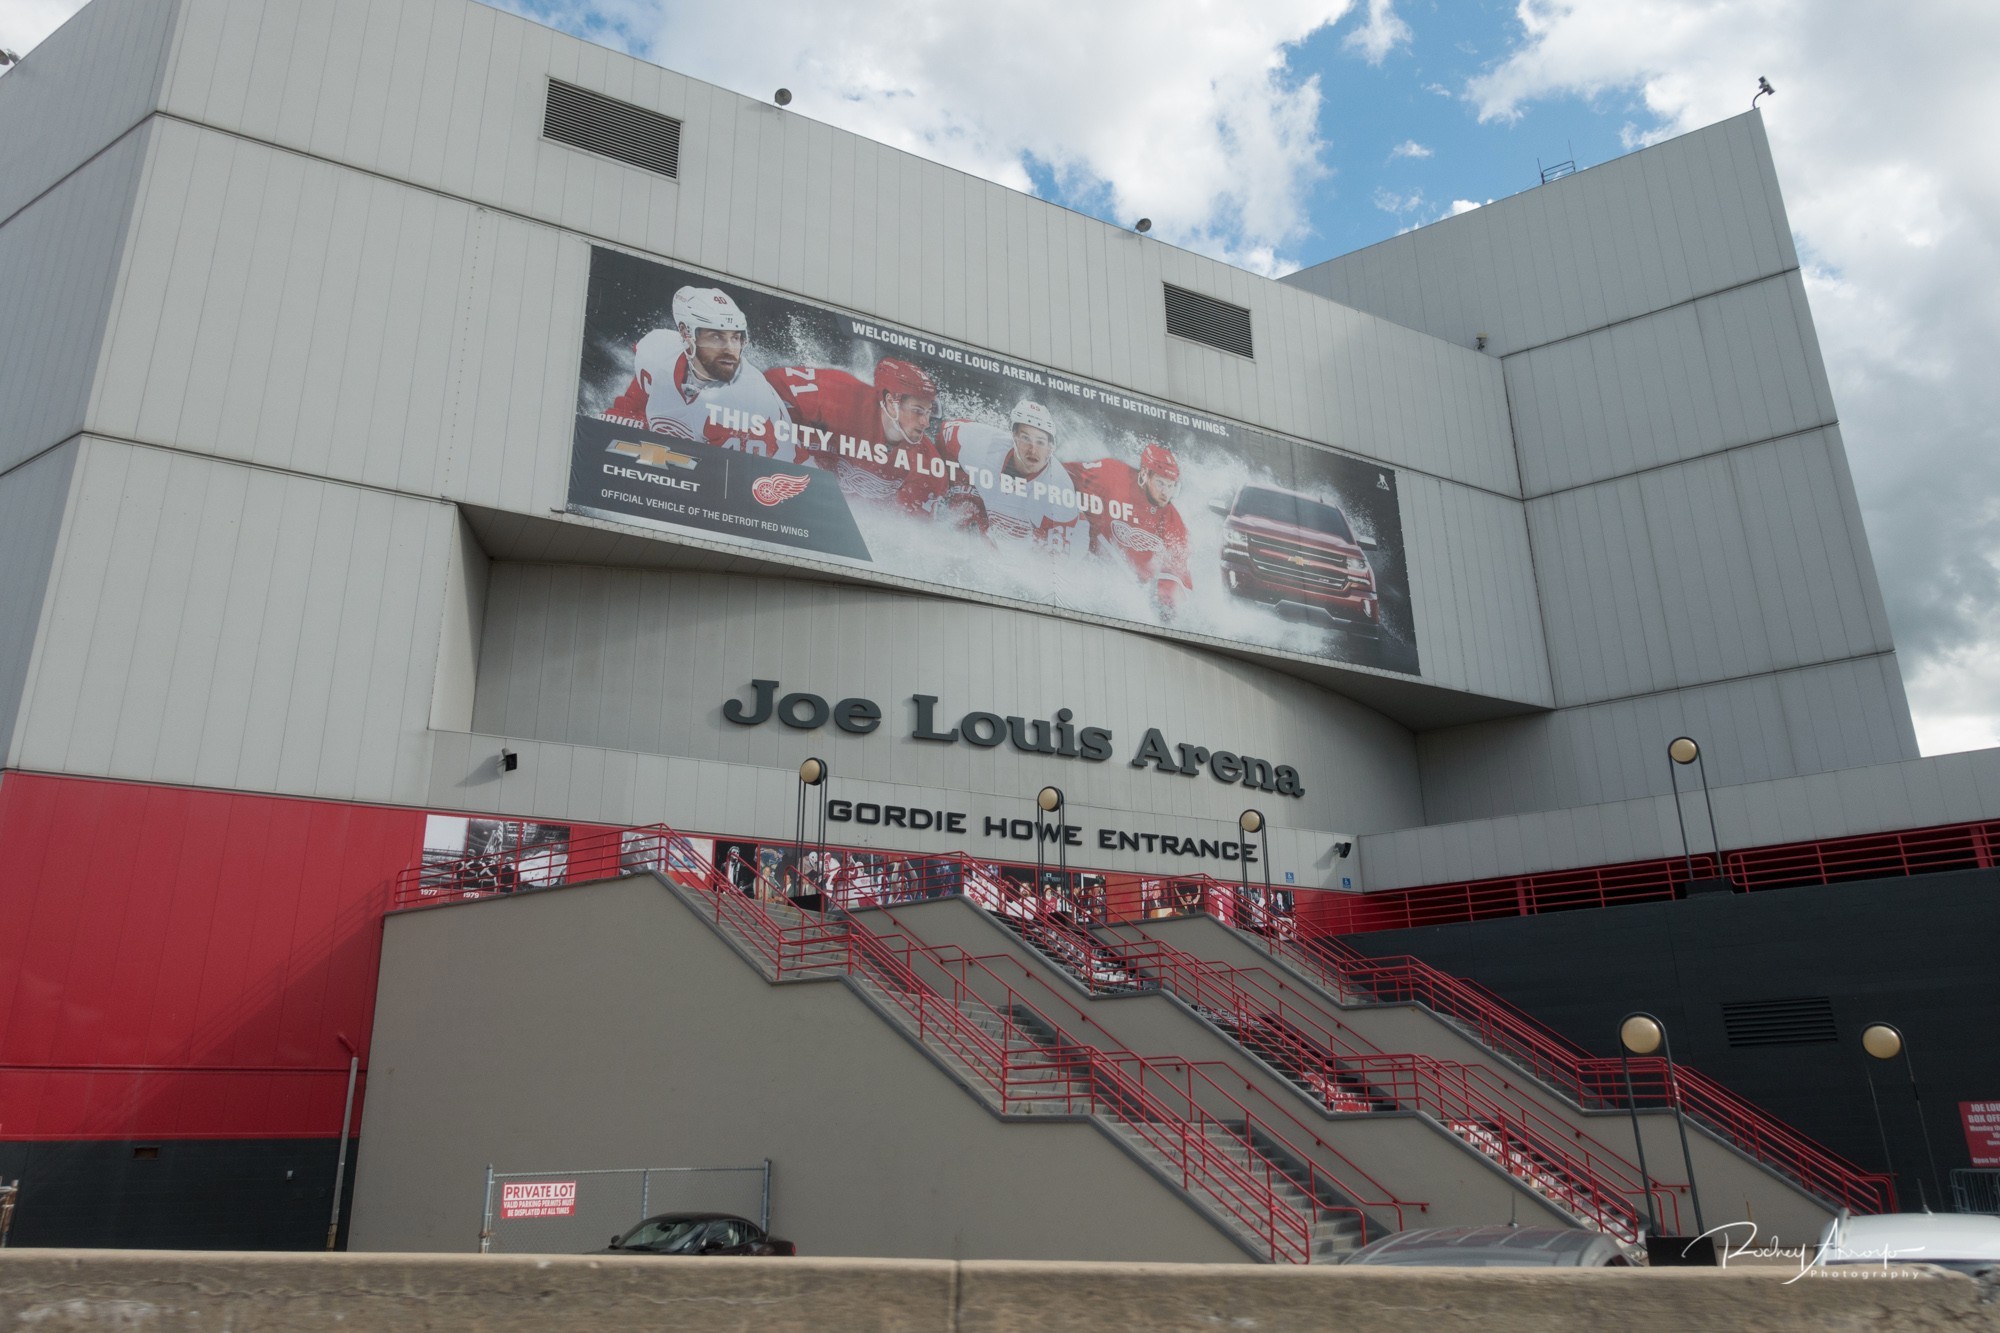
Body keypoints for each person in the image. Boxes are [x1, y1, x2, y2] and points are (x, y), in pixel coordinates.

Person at [601, 286, 797, 459]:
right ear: (687, 334)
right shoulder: (658, 353)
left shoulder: (745, 400)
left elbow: (733, 487)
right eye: (716, 337)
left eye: (735, 338)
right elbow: (625, 413)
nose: (730, 350)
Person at [764, 357, 943, 507]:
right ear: (891, 402)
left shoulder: (927, 467)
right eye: (918, 411)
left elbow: (912, 532)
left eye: (928, 413)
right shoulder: (839, 396)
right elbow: (769, 386)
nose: (925, 423)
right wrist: (795, 456)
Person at [930, 401, 1085, 554]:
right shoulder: (980, 443)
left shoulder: (1057, 490)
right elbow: (942, 437)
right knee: (965, 513)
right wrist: (953, 485)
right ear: (1014, 437)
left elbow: (1048, 565)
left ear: (1051, 447)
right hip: (995, 516)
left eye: (1040, 442)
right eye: (1026, 438)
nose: (1033, 449)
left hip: (1058, 541)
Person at [1067, 440, 1192, 617]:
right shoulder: (1110, 474)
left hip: (1133, 590)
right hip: (1089, 567)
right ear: (1144, 475)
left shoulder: (1173, 521)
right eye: (1160, 483)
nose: (1166, 493)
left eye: (1171, 486)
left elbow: (1177, 568)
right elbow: (1062, 473)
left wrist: (1165, 602)